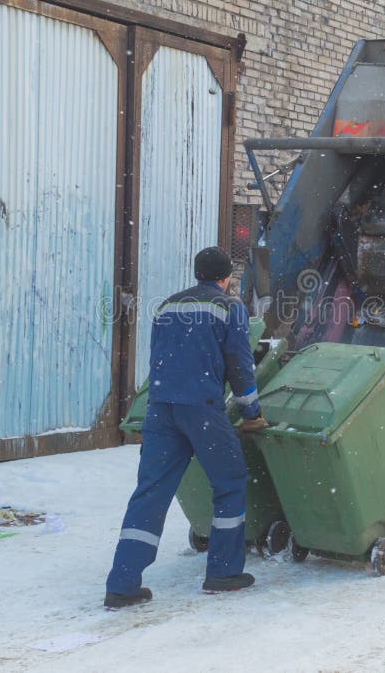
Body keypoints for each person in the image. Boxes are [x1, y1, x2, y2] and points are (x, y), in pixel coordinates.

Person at [104, 246, 267, 609]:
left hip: (161, 408)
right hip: (202, 409)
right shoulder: (229, 308)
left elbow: (160, 359)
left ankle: (122, 583)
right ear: (226, 279)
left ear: (197, 273)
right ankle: (223, 572)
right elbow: (240, 365)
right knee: (230, 481)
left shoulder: (166, 307)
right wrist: (251, 410)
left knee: (150, 491)